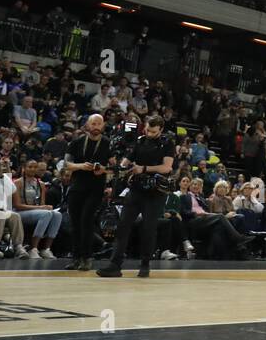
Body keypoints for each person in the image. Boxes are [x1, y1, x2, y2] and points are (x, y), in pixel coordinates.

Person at [98, 116, 175, 278]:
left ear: (161, 130)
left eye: (153, 131)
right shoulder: (139, 141)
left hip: (155, 192)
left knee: (148, 229)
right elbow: (125, 163)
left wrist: (144, 168)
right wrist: (114, 169)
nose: (149, 133)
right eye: (147, 129)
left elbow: (167, 168)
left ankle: (145, 264)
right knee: (123, 226)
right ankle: (115, 264)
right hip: (136, 190)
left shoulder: (167, 143)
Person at [63, 114, 112, 270]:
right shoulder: (76, 142)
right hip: (77, 186)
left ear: (103, 125)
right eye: (93, 123)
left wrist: (103, 170)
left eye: (99, 123)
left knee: (86, 220)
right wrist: (81, 166)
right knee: (75, 223)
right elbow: (66, 164)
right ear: (87, 125)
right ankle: (76, 257)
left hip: (96, 188)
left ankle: (87, 257)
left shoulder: (108, 144)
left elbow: (115, 167)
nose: (96, 126)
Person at [13, 159, 61, 259]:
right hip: (20, 212)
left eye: (35, 167)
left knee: (57, 215)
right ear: (24, 168)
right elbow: (17, 205)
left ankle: (46, 249)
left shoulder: (41, 184)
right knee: (46, 214)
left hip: (35, 212)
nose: (32, 169)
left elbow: (42, 204)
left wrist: (46, 207)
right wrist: (41, 208)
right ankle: (33, 248)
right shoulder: (17, 182)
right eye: (30, 167)